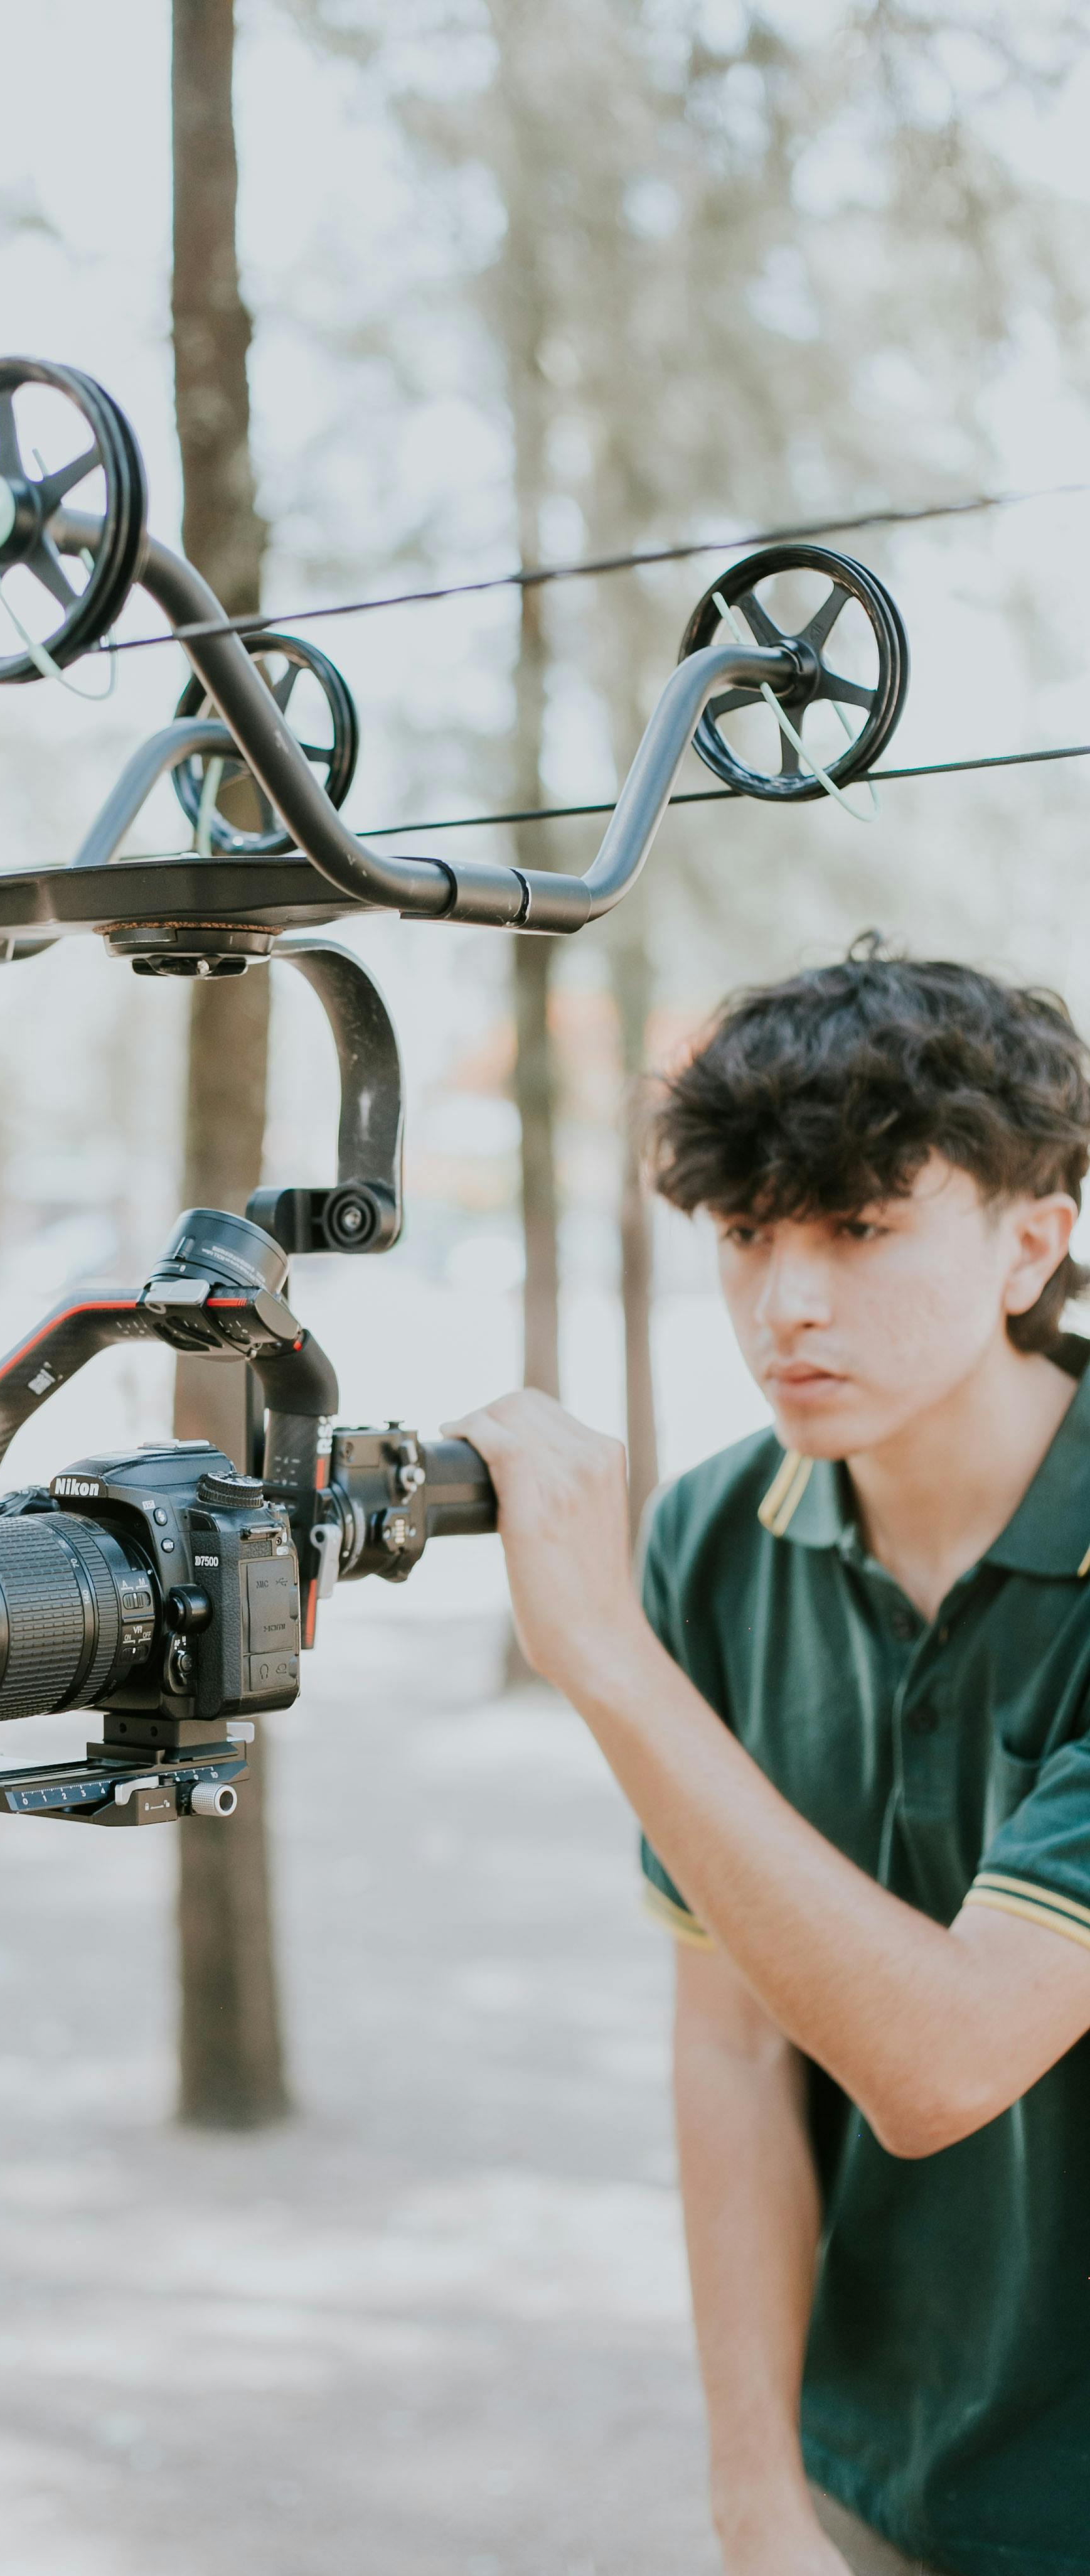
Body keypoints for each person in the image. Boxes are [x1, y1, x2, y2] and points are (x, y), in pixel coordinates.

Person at [449, 948, 1090, 2576]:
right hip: (872, 2479)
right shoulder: (718, 1540)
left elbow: (945, 2061)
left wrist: (601, 1661)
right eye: (748, 1236)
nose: (784, 1304)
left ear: (1035, 1239)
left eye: (860, 1229)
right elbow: (732, 2046)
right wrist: (757, 2503)